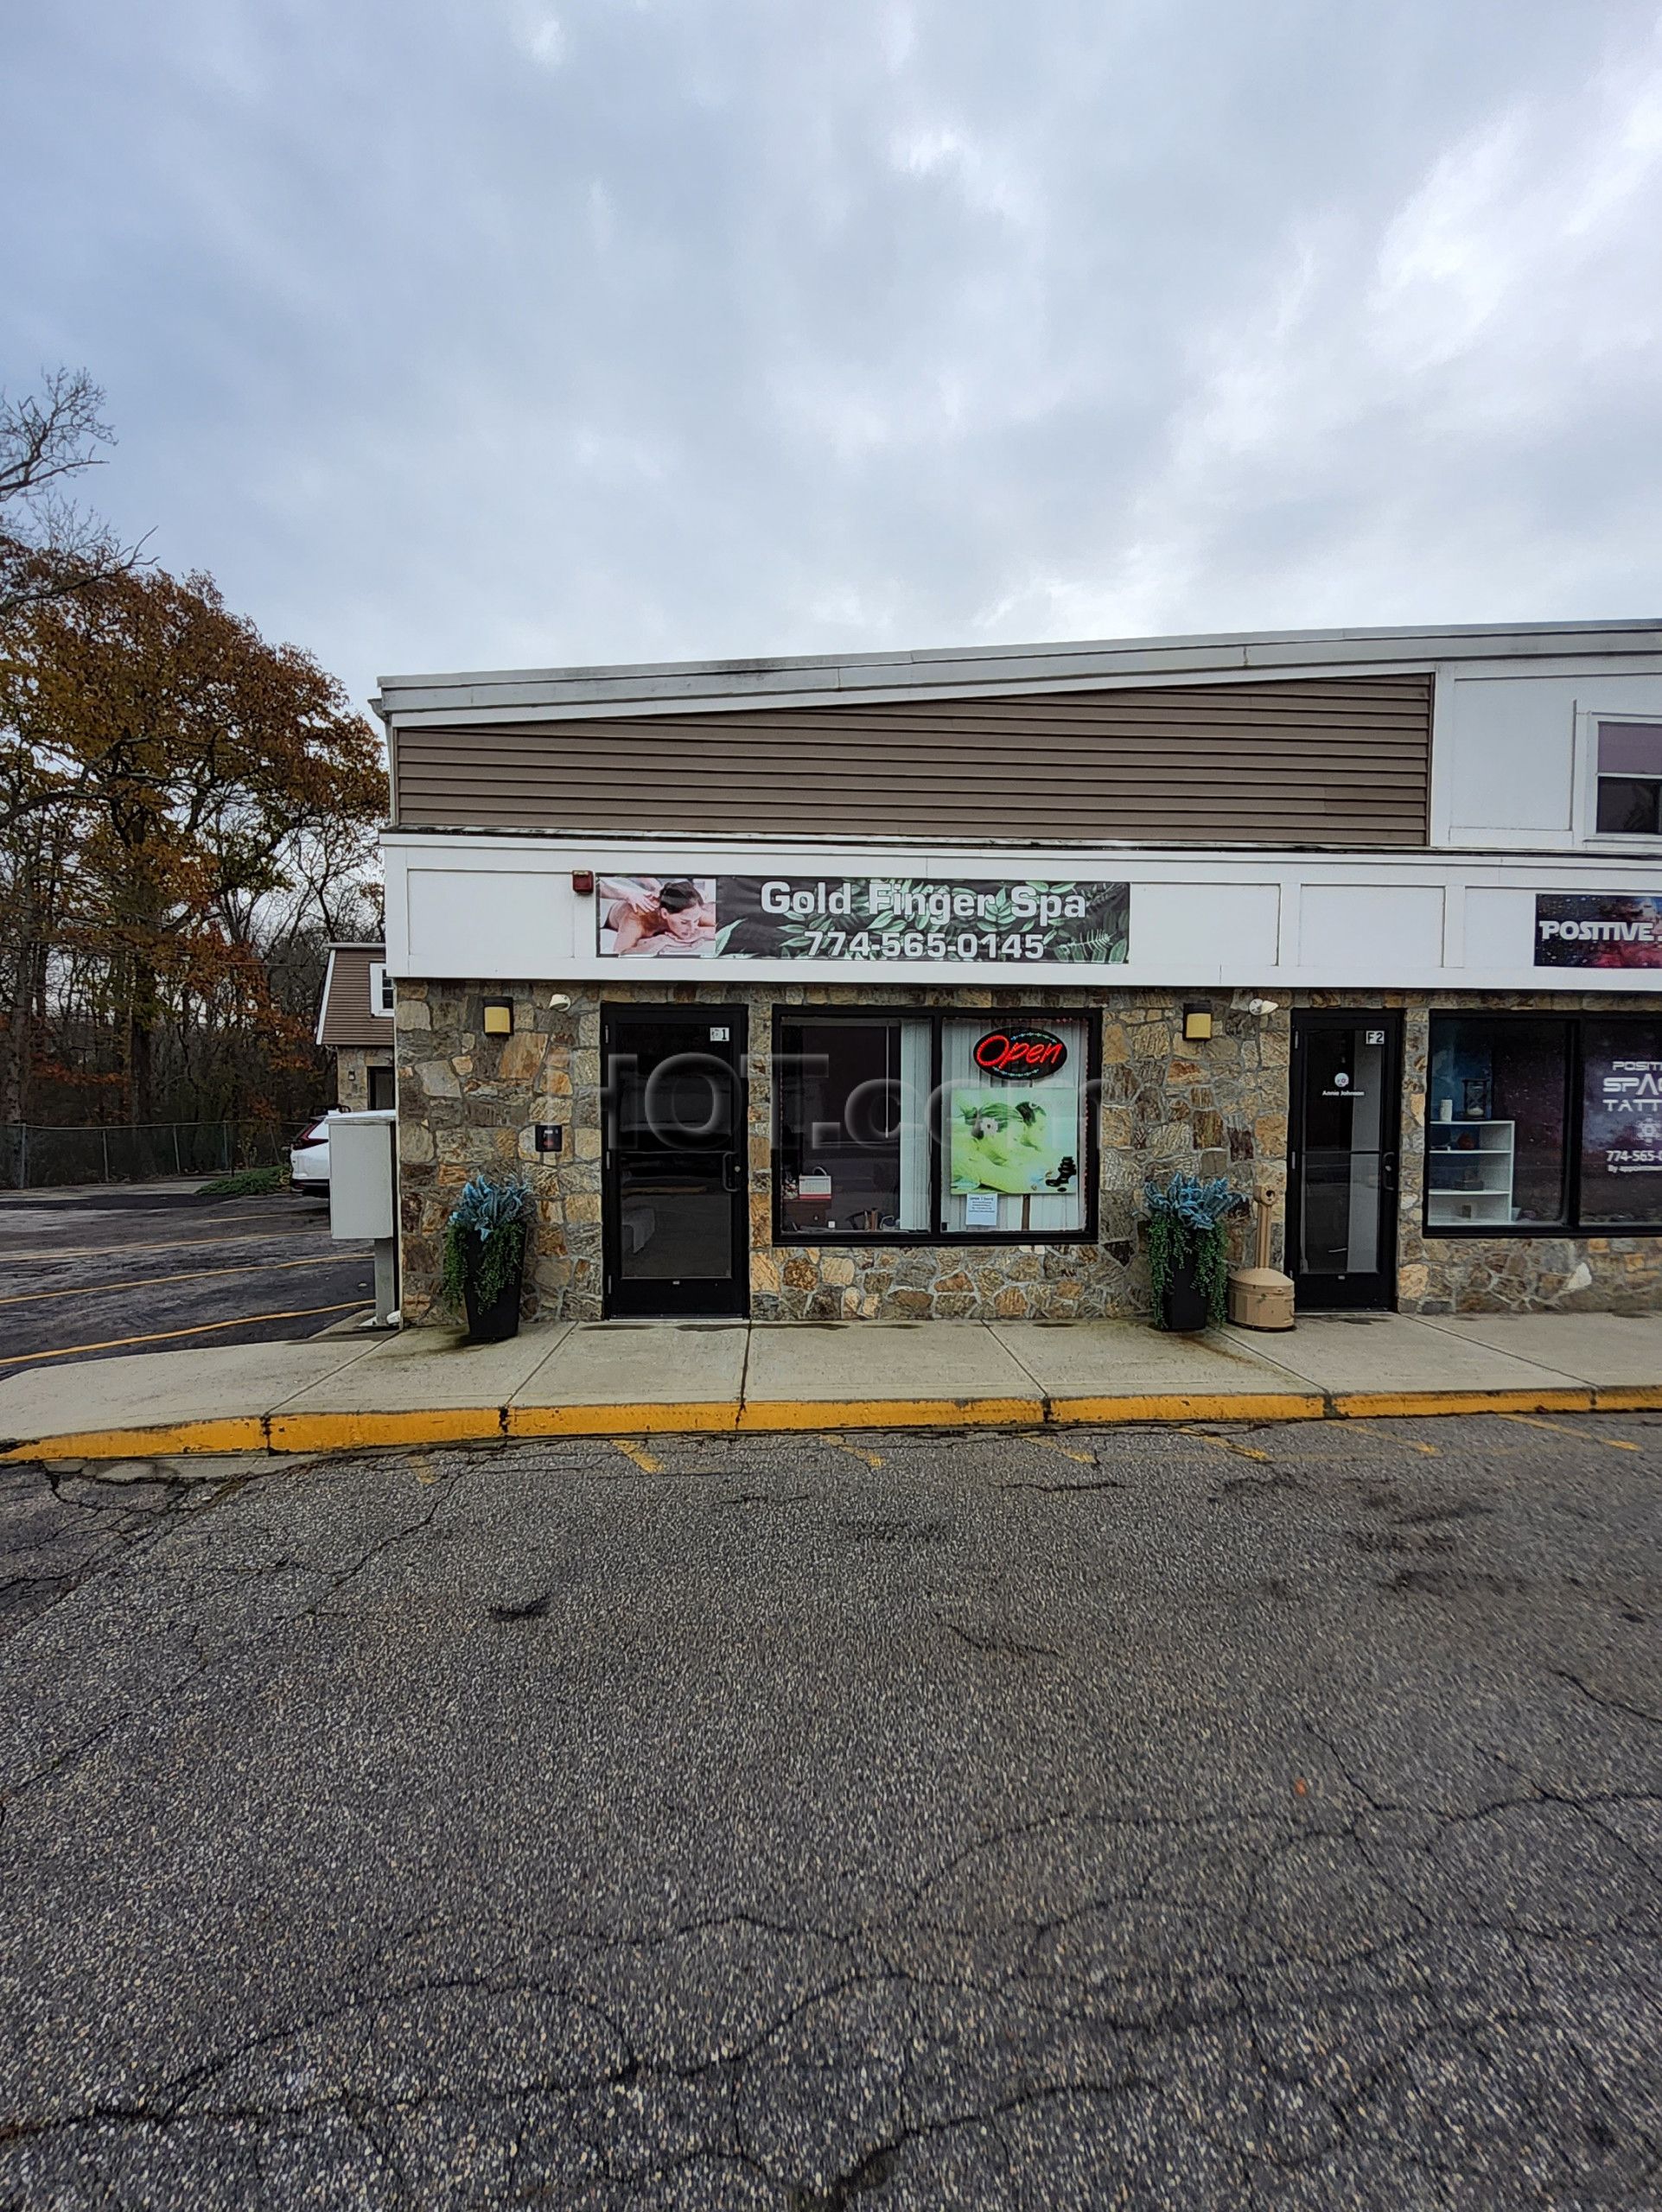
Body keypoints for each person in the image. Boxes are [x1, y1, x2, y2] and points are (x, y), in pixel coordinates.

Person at [599, 876, 716, 956]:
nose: (692, 929)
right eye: (684, 923)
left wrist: (701, 932)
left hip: (650, 893)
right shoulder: (637, 918)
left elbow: (726, 926)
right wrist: (662, 941)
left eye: (696, 921)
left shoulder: (689, 912)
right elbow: (620, 953)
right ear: (665, 914)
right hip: (609, 906)